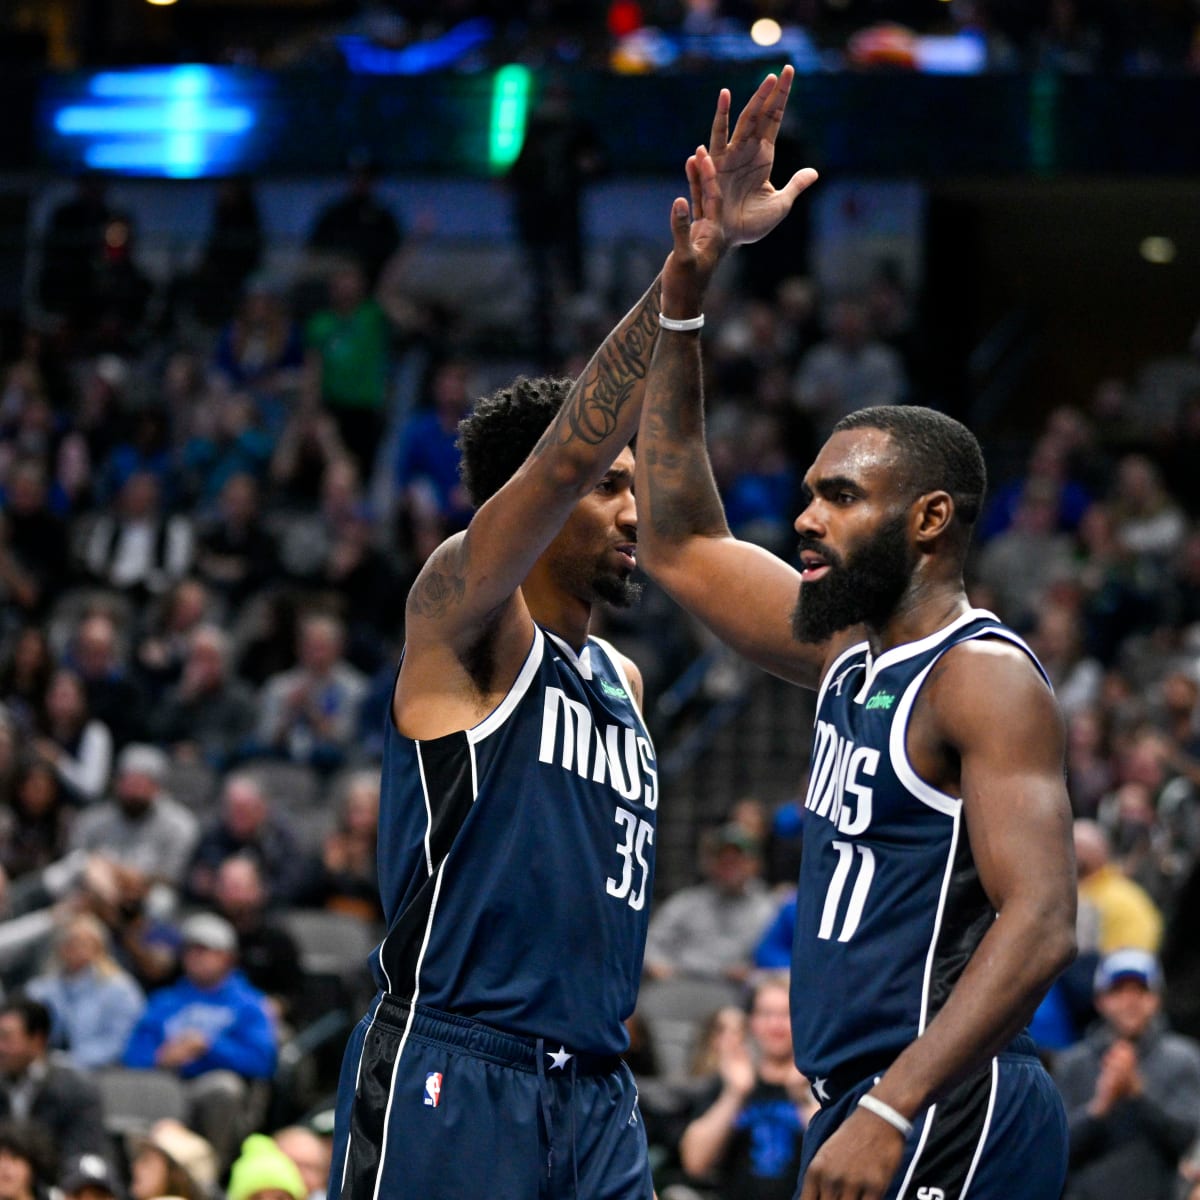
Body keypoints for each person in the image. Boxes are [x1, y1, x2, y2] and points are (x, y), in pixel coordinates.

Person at [327, 69, 814, 1200]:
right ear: (537, 506)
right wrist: (687, 268)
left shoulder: (628, 680)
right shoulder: (464, 619)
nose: (636, 508)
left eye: (637, 485)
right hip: (456, 1064)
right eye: (611, 485)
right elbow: (557, 459)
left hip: (596, 1088)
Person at [635, 183, 1077, 1196]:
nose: (805, 520)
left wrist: (893, 1105)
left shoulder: (983, 676)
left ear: (928, 520)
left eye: (840, 498)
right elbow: (684, 541)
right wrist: (685, 293)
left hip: (942, 1099)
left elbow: (1045, 919)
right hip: (871, 1095)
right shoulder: (848, 660)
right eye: (807, 497)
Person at [122, 911, 278, 1166]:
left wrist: (208, 1046)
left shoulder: (249, 1003)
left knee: (224, 1087)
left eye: (205, 950)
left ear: (227, 957)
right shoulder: (166, 1000)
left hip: (213, 1094)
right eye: (190, 950)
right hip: (167, 1087)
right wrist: (161, 1057)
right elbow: (132, 1055)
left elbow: (263, 1061)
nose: (195, 957)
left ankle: (210, 1175)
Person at [1052, 948, 1200, 1200]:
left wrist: (1139, 1094)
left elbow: (1192, 1143)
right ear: (1100, 1000)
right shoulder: (1074, 1062)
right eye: (1118, 991)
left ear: (1157, 999)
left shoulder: (1182, 1058)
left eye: (1140, 991)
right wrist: (1099, 1108)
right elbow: (1055, 1151)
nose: (1130, 1001)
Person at [678, 974, 817, 1200]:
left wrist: (801, 1098)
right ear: (751, 1021)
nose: (775, 1024)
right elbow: (694, 1163)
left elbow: (840, 1156)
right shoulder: (732, 1081)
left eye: (785, 1014)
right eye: (766, 1014)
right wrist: (734, 1095)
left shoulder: (820, 1085)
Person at [0, 998, 109, 1163]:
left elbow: (83, 1156)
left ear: (37, 1040)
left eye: (7, 1038)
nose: (1, 1047)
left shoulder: (77, 1091)